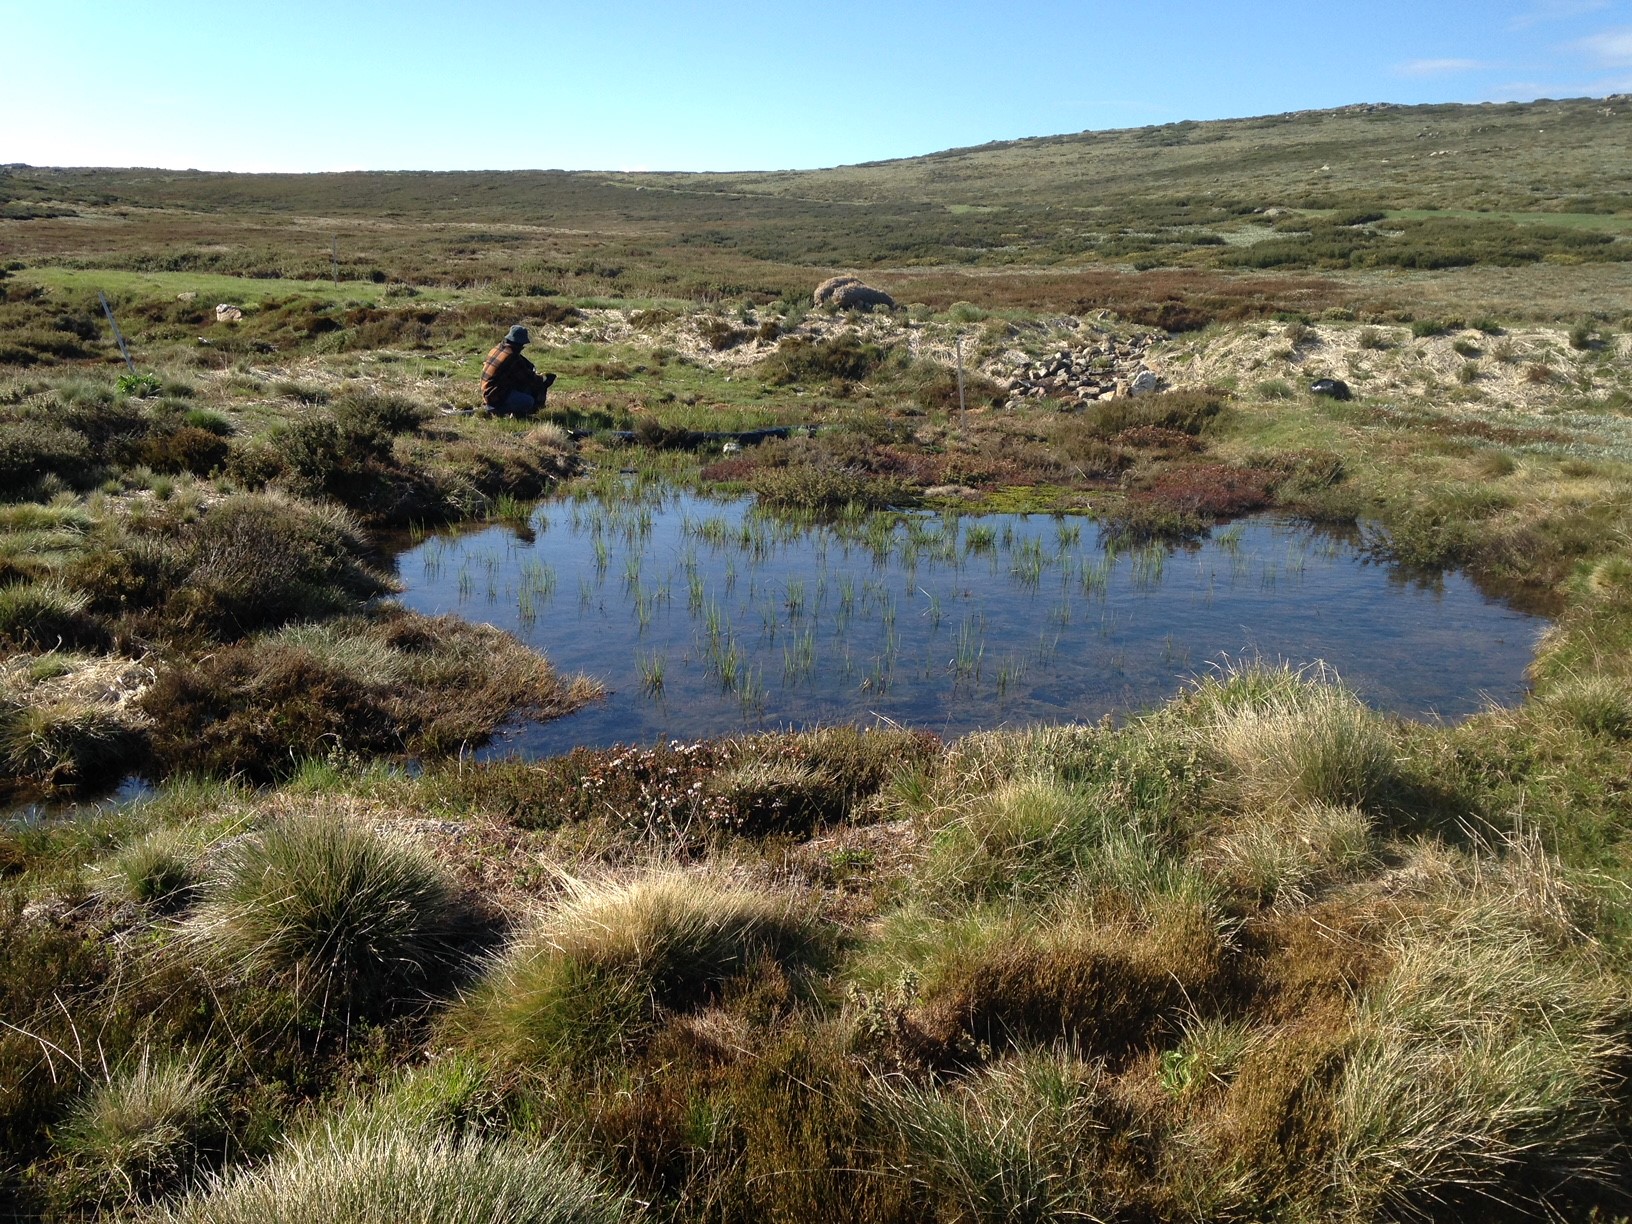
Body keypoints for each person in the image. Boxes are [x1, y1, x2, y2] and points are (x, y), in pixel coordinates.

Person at [480, 325, 556, 416]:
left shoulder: (497, 348)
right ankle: (497, 410)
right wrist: (543, 379)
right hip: (495, 395)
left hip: (488, 392)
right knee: (528, 401)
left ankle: (500, 408)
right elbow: (528, 378)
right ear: (519, 344)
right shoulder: (512, 357)